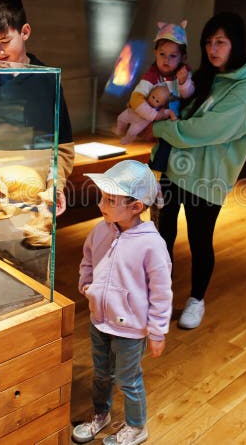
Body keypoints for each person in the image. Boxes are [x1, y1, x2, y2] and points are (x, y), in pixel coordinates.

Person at [149, 12, 246, 329]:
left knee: (200, 241)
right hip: (175, 169)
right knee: (161, 236)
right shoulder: (208, 76)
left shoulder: (245, 87)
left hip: (207, 178)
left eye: (220, 42)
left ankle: (196, 300)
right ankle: (159, 295)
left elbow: (205, 129)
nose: (213, 49)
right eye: (209, 42)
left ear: (235, 43)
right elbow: (184, 111)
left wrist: (159, 130)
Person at [72, 160, 172, 445]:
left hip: (130, 330)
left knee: (128, 380)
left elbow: (161, 292)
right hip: (99, 321)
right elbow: (88, 259)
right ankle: (100, 414)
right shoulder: (101, 229)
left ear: (136, 207)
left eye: (110, 200)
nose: (101, 204)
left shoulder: (151, 244)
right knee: (101, 374)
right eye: (102, 197)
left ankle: (137, 427)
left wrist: (157, 332)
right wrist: (86, 283)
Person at [0, 0, 75, 215]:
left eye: (5, 41)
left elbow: (63, 145)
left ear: (25, 31)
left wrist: (56, 186)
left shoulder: (47, 78)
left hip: (36, 204)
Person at [124, 21, 194, 177]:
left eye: (173, 56)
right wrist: (153, 115)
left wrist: (183, 82)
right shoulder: (152, 75)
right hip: (155, 118)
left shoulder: (183, 73)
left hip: (174, 121)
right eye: (162, 54)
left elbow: (188, 94)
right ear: (155, 52)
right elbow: (137, 97)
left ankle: (156, 174)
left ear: (183, 58)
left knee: (166, 150)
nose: (166, 60)